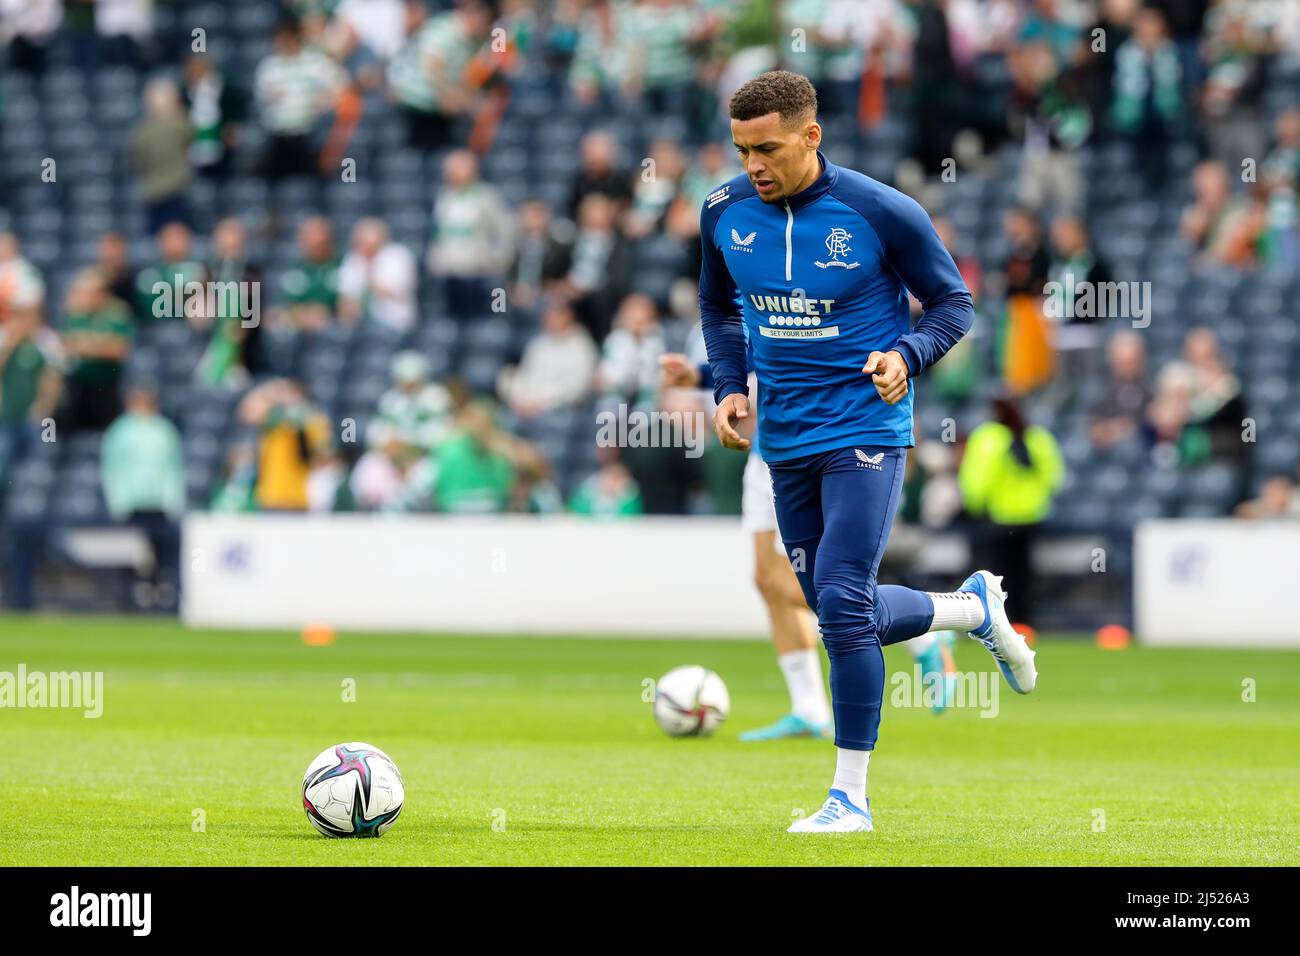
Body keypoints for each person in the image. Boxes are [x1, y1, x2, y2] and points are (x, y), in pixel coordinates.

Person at [699, 71, 1035, 833]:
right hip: (784, 438)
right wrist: (726, 386)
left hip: (865, 430)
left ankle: (849, 797)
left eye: (769, 148)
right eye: (742, 148)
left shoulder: (881, 211)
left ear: (811, 136)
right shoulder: (722, 212)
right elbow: (717, 307)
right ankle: (969, 607)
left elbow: (954, 304)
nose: (754, 164)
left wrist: (906, 356)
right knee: (836, 613)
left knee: (844, 602)